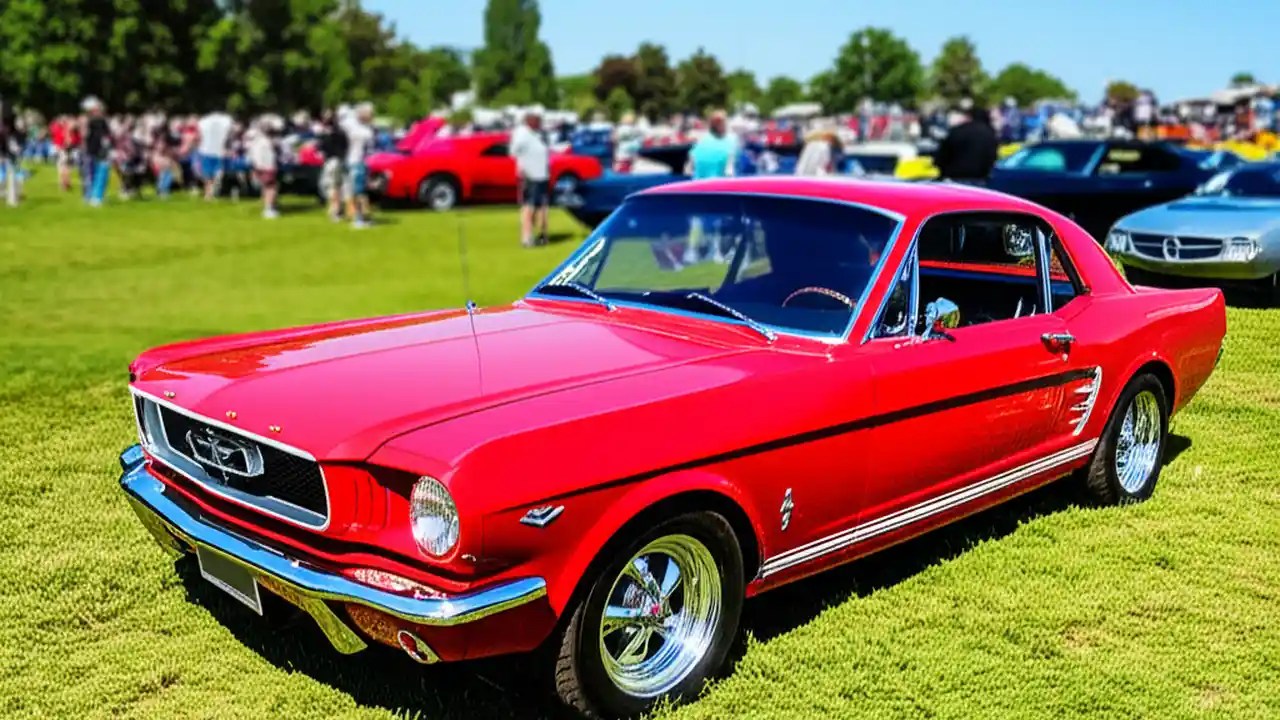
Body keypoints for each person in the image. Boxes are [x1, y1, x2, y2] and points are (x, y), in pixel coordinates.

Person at [510, 106, 551, 247]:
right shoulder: (522, 134)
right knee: (529, 207)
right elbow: (514, 152)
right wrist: (523, 168)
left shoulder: (540, 134)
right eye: (537, 119)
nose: (539, 122)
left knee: (542, 206)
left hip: (542, 175)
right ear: (529, 119)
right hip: (530, 175)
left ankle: (542, 235)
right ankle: (527, 237)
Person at [935, 103, 998, 184]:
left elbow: (943, 154)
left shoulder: (957, 131)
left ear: (969, 116)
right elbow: (992, 157)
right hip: (980, 178)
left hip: (954, 177)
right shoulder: (990, 133)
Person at [343, 103, 375, 229]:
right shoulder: (361, 130)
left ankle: (360, 217)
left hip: (358, 161)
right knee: (358, 192)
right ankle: (358, 218)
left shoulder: (358, 127)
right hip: (356, 162)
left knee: (360, 191)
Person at [686, 110, 738, 180]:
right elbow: (729, 172)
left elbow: (689, 169)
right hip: (717, 186)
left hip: (697, 185)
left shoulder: (700, 141)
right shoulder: (731, 142)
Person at [196, 107, 233, 200]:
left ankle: (209, 193)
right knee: (215, 174)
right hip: (217, 151)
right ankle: (210, 193)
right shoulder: (226, 121)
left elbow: (200, 135)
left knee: (208, 174)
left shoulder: (204, 122)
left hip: (206, 150)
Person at [317, 110, 348, 221]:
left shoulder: (328, 133)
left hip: (331, 161)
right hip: (339, 160)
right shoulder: (341, 131)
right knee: (338, 186)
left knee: (332, 187)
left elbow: (322, 148)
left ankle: (335, 210)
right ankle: (338, 209)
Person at [82, 97, 112, 207]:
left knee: (93, 173)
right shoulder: (98, 121)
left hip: (94, 149)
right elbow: (106, 135)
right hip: (98, 149)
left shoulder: (90, 121)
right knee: (101, 172)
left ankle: (92, 196)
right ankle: (96, 196)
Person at [247, 119, 279, 219]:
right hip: (267, 166)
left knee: (266, 187)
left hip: (259, 165)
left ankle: (267, 206)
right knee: (271, 187)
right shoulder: (266, 141)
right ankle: (269, 209)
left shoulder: (256, 140)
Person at [0, 95, 20, 206]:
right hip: (8, 144)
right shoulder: (9, 115)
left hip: (7, 145)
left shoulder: (8, 119)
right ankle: (11, 198)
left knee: (10, 170)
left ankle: (11, 197)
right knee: (11, 170)